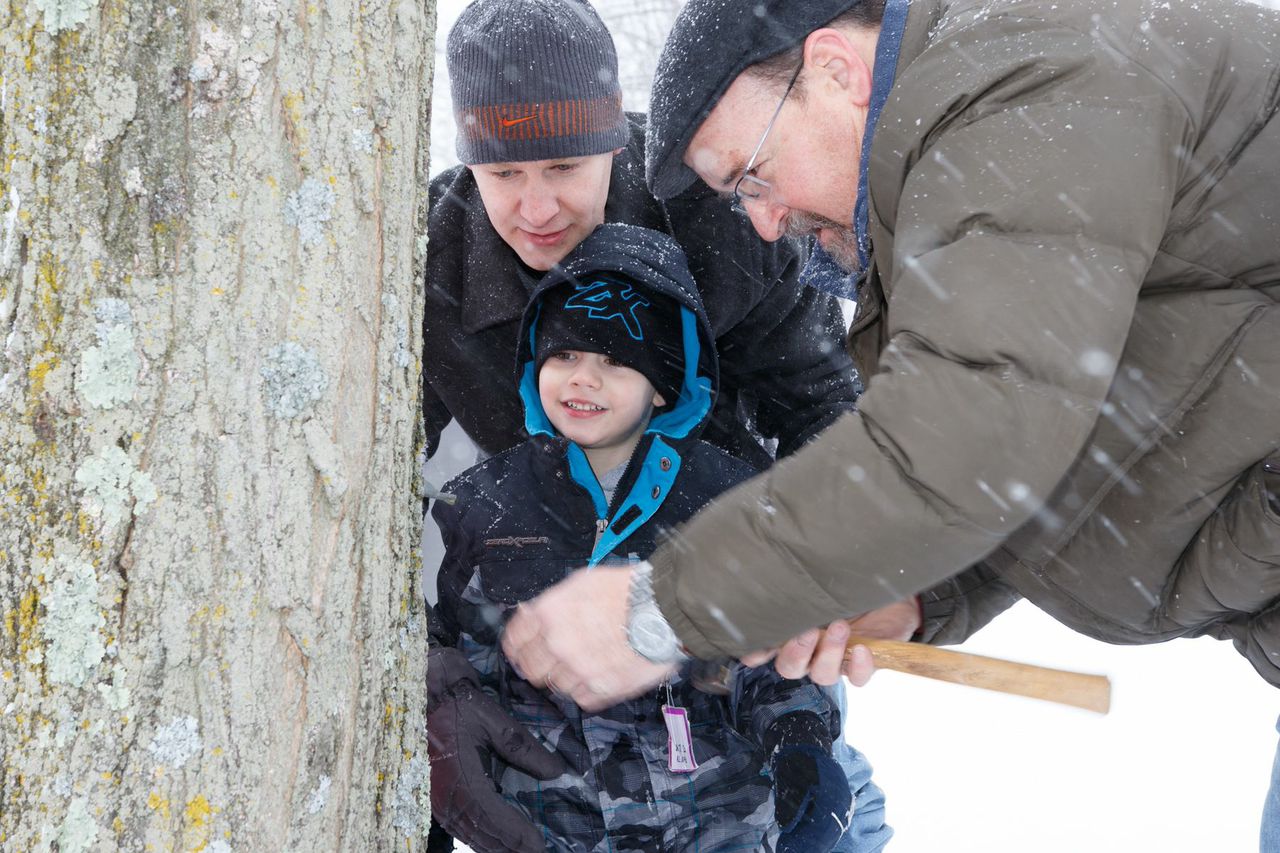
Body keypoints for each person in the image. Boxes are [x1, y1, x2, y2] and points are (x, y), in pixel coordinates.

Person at [500, 0, 1280, 841]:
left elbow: (968, 431)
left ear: (836, 70)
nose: (764, 222)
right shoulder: (978, 151)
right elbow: (1075, 422)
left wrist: (667, 608)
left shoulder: (1025, 82)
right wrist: (915, 588)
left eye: (752, 175)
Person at [426, 223, 892, 853]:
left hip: (717, 824)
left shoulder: (729, 498)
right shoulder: (485, 503)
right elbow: (456, 656)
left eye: (615, 361)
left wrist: (801, 744)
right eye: (563, 356)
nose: (582, 379)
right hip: (553, 830)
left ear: (665, 384)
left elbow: (769, 654)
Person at [424, 0, 862, 474]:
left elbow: (823, 408)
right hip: (530, 535)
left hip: (719, 522)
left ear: (613, 143)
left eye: (564, 167)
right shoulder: (424, 258)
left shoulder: (726, 206)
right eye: (504, 172)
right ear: (471, 164)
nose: (538, 210)